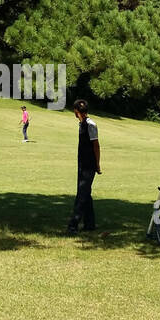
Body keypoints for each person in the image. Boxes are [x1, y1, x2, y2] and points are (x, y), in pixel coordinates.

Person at [66, 99, 101, 234]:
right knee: (86, 193)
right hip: (82, 164)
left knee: (81, 194)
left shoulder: (91, 125)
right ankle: (90, 224)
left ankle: (73, 226)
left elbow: (96, 145)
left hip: (89, 165)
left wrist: (97, 164)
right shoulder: (81, 124)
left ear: (76, 111)